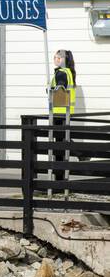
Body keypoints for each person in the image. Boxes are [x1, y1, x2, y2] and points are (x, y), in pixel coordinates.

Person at [51, 49, 77, 183]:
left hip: (59, 112)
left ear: (61, 60)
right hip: (65, 112)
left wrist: (52, 91)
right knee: (61, 142)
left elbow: (60, 89)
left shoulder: (61, 73)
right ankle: (59, 178)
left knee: (59, 145)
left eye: (56, 57)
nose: (54, 59)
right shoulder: (69, 72)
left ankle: (59, 179)